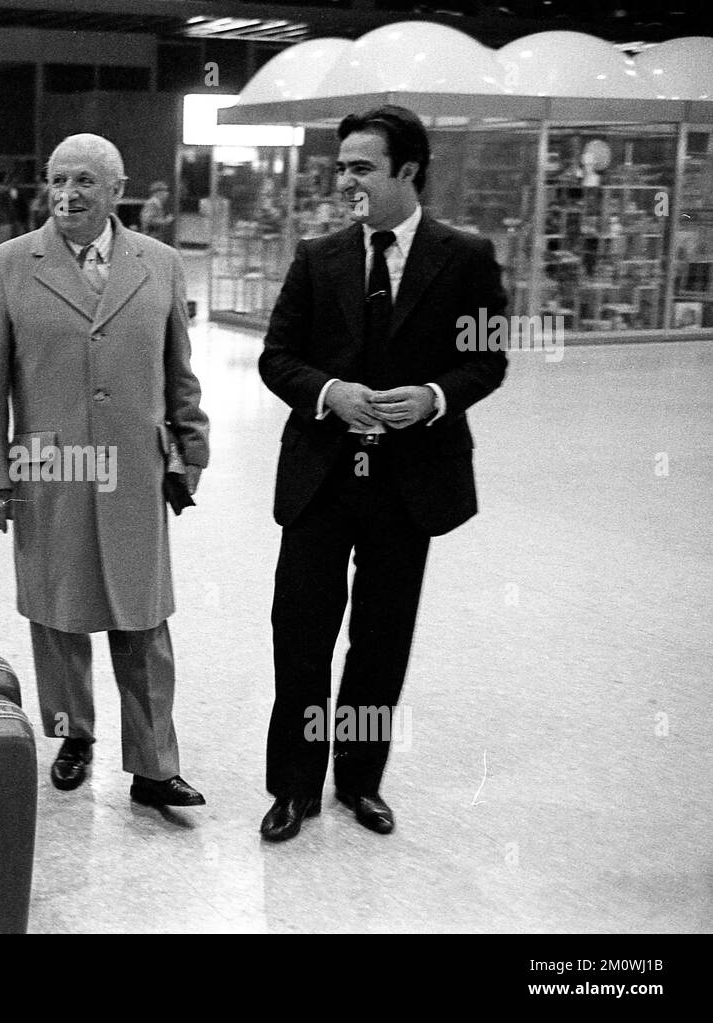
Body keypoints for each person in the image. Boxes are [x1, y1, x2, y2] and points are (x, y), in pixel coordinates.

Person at [257, 105, 508, 843]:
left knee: (380, 638)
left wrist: (432, 398)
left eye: (361, 168)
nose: (346, 181)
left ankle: (360, 781)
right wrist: (331, 393)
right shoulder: (318, 255)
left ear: (408, 171)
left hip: (410, 483)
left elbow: (487, 358)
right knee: (300, 633)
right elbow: (278, 357)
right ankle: (295, 785)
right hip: (320, 478)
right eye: (341, 168)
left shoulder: (464, 257)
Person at [0, 133, 210, 810]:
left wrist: (191, 448)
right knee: (59, 614)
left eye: (82, 182)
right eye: (55, 182)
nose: (66, 196)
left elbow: (178, 368)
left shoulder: (159, 263)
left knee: (144, 617)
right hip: (48, 468)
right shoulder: (9, 265)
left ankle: (156, 766)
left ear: (117, 189)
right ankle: (75, 735)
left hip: (135, 469)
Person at [139, 180, 175, 245]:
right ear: (157, 193)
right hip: (150, 238)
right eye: (165, 191)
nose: (167, 194)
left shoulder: (157, 204)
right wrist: (165, 221)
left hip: (154, 238)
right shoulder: (152, 203)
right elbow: (148, 220)